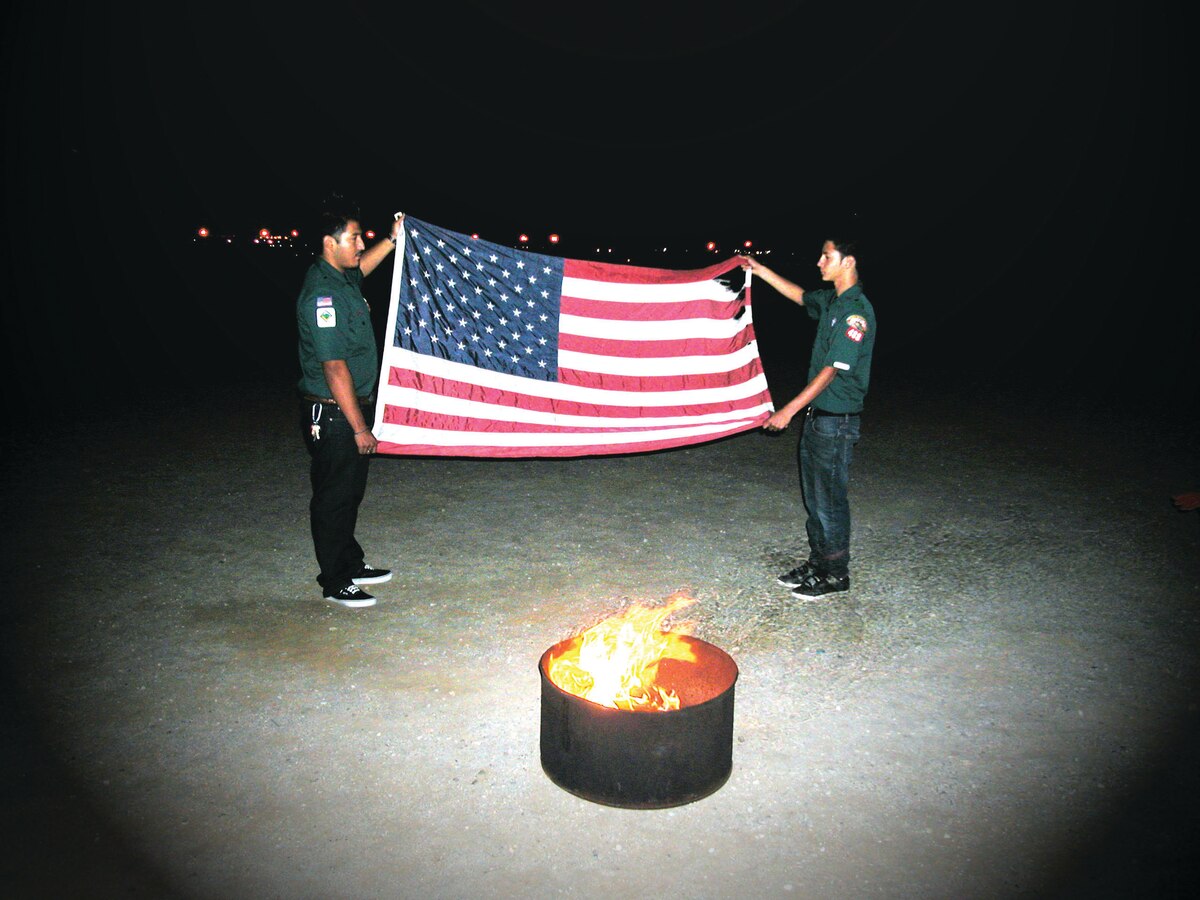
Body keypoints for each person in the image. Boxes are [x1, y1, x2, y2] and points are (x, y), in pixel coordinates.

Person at [740, 237, 876, 600]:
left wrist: (789, 410)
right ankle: (819, 563)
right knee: (815, 498)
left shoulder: (855, 313)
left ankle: (836, 574)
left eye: (826, 256)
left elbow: (832, 370)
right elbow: (800, 296)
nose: (819, 261)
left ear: (848, 261)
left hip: (837, 419)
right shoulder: (833, 301)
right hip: (820, 418)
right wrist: (760, 269)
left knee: (830, 499)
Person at [296, 203, 403, 608]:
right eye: (354, 238)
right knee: (334, 495)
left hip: (350, 407)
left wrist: (391, 240)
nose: (361, 244)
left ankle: (350, 562)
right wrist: (359, 427)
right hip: (335, 412)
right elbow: (334, 367)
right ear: (329, 243)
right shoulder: (322, 294)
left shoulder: (340, 279)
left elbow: (364, 268)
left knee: (349, 492)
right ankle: (335, 579)